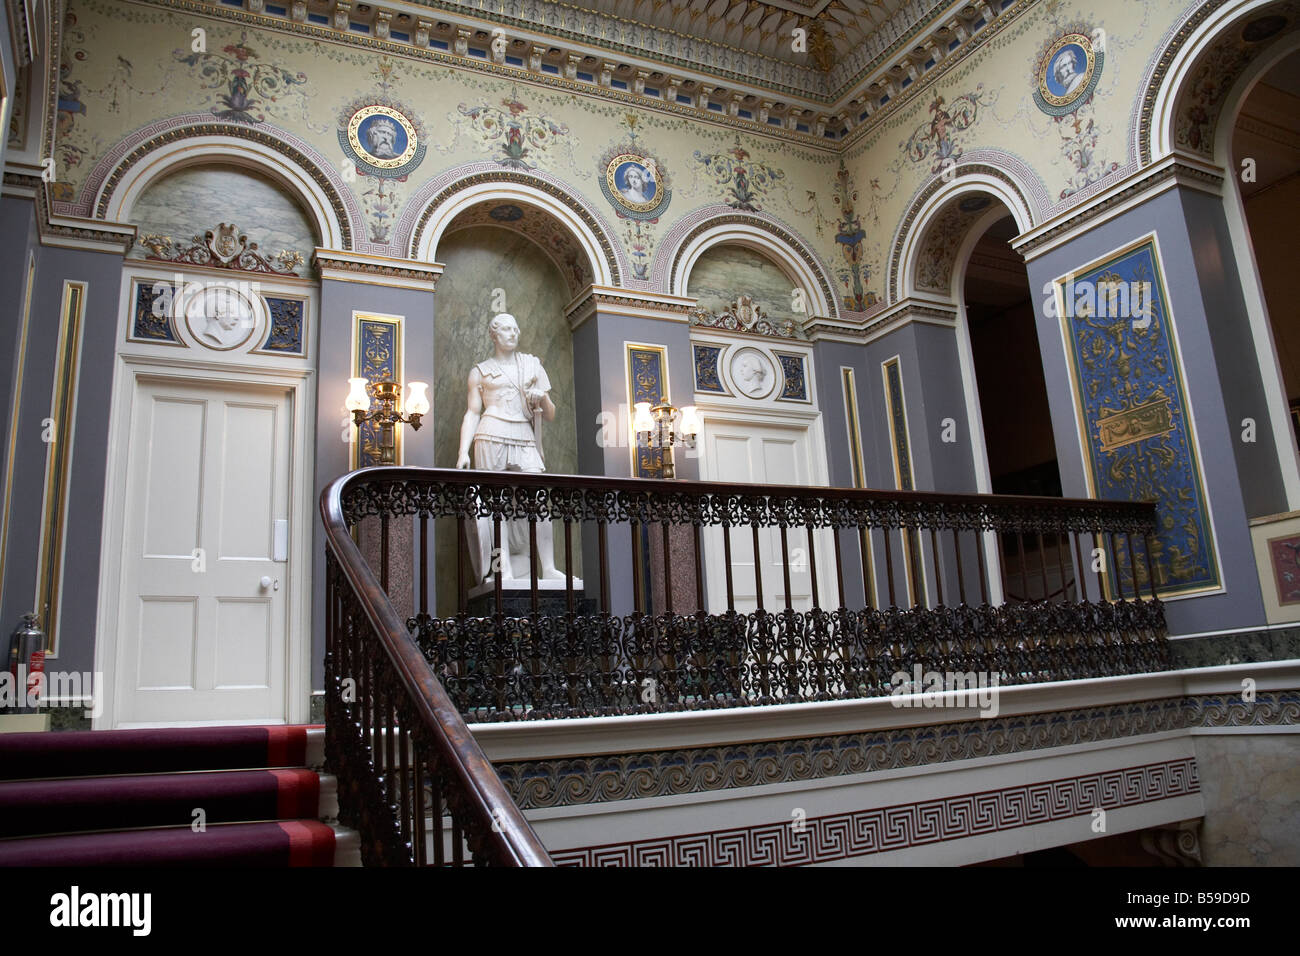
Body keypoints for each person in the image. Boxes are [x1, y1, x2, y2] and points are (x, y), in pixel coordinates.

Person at [456, 313, 565, 581]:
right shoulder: (479, 371)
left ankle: (548, 568)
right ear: (494, 334)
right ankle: (501, 567)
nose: (513, 333)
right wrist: (463, 451)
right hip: (491, 431)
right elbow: (472, 413)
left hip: (524, 433)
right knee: (496, 505)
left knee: (539, 501)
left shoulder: (533, 365)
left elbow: (550, 414)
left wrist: (541, 398)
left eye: (515, 328)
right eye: (506, 329)